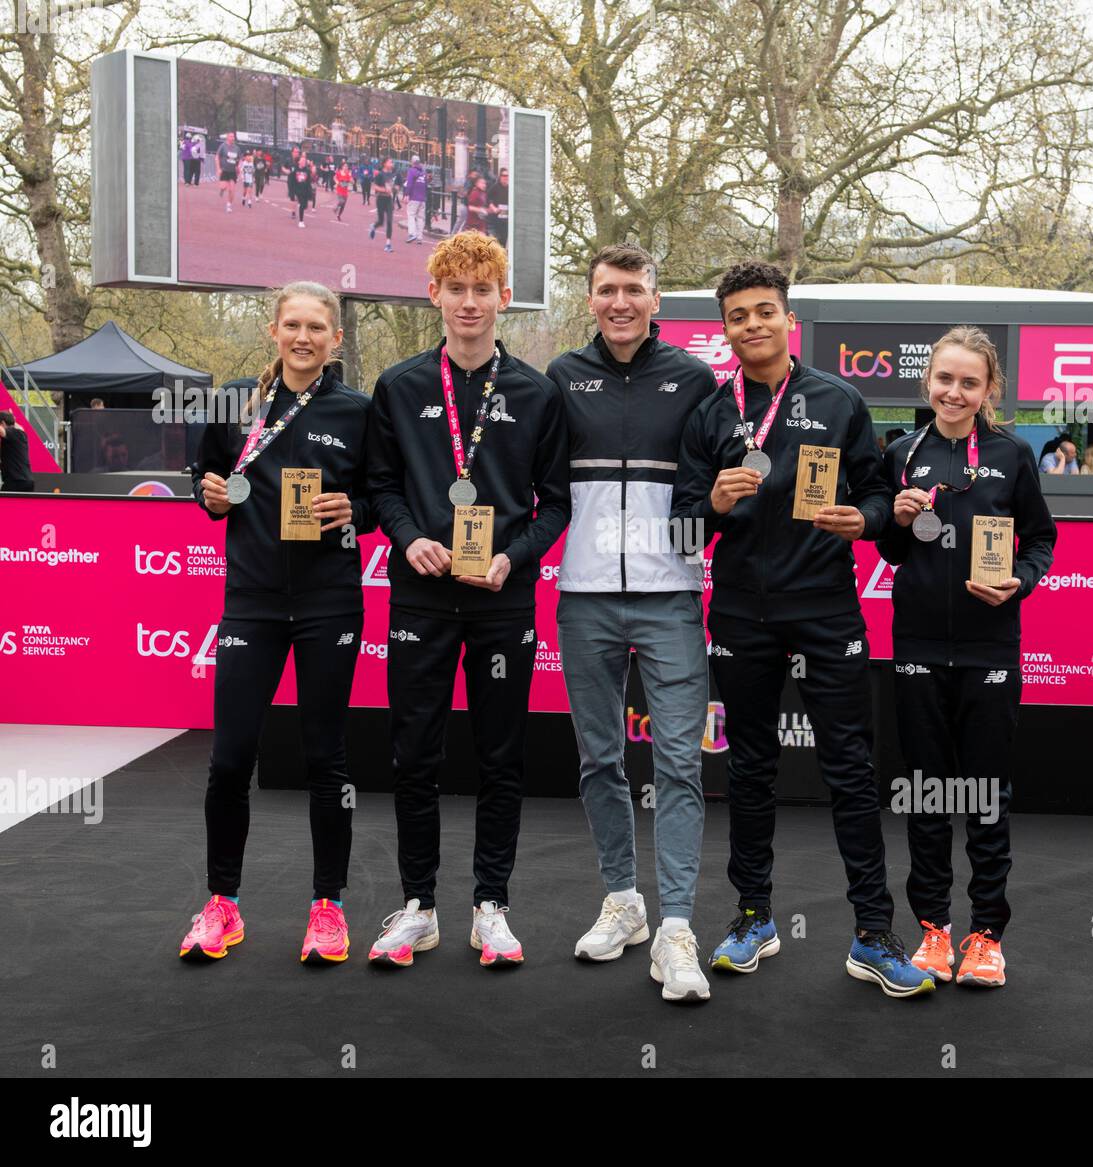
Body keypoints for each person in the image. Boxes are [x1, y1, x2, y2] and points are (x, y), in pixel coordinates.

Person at [670, 260, 934, 999]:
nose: (751, 325)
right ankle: (753, 917)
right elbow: (682, 533)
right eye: (737, 316)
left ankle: (873, 934)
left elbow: (882, 498)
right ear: (724, 330)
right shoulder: (709, 412)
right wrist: (713, 506)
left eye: (764, 311)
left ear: (790, 319)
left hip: (825, 607)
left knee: (849, 768)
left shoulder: (839, 400)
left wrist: (869, 519)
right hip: (740, 613)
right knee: (750, 768)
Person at [365, 232, 569, 970]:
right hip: (421, 598)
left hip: (501, 601)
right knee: (414, 755)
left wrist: (517, 556)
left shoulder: (538, 392)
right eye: (457, 289)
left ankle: (492, 907)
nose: (470, 302)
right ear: (435, 296)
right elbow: (380, 486)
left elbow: (554, 503)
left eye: (484, 289)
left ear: (503, 298)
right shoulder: (400, 385)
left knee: (500, 757)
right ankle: (418, 905)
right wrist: (408, 537)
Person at [180, 280, 375, 965]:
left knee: (327, 757)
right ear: (273, 330)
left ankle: (328, 906)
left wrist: (355, 508)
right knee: (231, 755)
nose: (302, 336)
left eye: (316, 327)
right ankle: (221, 904)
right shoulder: (236, 401)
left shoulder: (357, 409)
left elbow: (380, 497)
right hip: (253, 603)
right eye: (291, 324)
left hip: (329, 602)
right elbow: (203, 481)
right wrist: (208, 495)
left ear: (334, 338)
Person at [547, 243, 716, 1002]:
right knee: (598, 760)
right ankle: (624, 900)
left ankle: (676, 926)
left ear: (655, 301)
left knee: (680, 764)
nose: (621, 303)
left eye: (635, 291)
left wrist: (682, 547)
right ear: (591, 299)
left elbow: (709, 486)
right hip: (583, 596)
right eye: (608, 290)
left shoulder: (692, 377)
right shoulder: (561, 377)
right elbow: (541, 485)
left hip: (672, 595)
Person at [878, 326, 1057, 990]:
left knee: (985, 794)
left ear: (989, 389)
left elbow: (1041, 539)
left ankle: (986, 935)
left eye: (969, 382)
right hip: (919, 646)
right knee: (927, 792)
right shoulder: (901, 451)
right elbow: (894, 554)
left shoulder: (1012, 455)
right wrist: (895, 522)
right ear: (929, 382)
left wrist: (1023, 580)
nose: (955, 392)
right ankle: (932, 929)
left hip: (990, 648)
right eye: (945, 379)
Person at [0, 410, 35, 492]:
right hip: (26, 481)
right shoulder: (21, 433)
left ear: (3, 423)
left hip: (16, 481)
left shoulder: (12, 432)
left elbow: (2, 431)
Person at [369, 159, 397, 253]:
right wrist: (385, 189)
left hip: (389, 199)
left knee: (389, 221)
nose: (392, 164)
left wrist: (395, 188)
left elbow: (396, 186)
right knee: (381, 221)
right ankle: (373, 226)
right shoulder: (380, 174)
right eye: (390, 162)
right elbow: (374, 187)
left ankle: (388, 244)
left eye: (392, 162)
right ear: (384, 164)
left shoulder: (393, 174)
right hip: (381, 199)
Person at [404, 154, 427, 244]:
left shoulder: (411, 171)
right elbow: (426, 185)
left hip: (414, 197)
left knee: (411, 215)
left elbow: (409, 183)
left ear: (412, 162)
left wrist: (406, 194)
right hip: (422, 198)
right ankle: (420, 237)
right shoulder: (423, 173)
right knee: (420, 218)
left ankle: (412, 233)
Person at [216, 132, 241, 213]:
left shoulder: (236, 148)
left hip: (232, 171)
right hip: (224, 170)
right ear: (227, 137)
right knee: (224, 187)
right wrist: (218, 168)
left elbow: (239, 159)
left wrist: (238, 167)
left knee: (232, 189)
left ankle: (229, 205)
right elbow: (217, 157)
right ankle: (222, 190)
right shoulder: (223, 146)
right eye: (231, 136)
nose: (232, 138)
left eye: (233, 136)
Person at [287, 152, 312, 229]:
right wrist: (292, 192)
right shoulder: (295, 170)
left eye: (305, 161)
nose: (304, 163)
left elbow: (308, 182)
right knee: (301, 206)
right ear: (299, 162)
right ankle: (301, 221)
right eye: (302, 161)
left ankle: (301, 204)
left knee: (304, 206)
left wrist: (310, 193)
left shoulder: (307, 171)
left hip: (305, 190)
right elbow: (291, 181)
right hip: (297, 190)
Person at [487, 167, 509, 248]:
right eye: (504, 175)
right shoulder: (495, 187)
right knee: (496, 242)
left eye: (507, 175)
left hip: (506, 220)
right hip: (496, 219)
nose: (506, 177)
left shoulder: (510, 188)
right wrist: (493, 208)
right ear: (500, 177)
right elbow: (487, 198)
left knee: (504, 240)